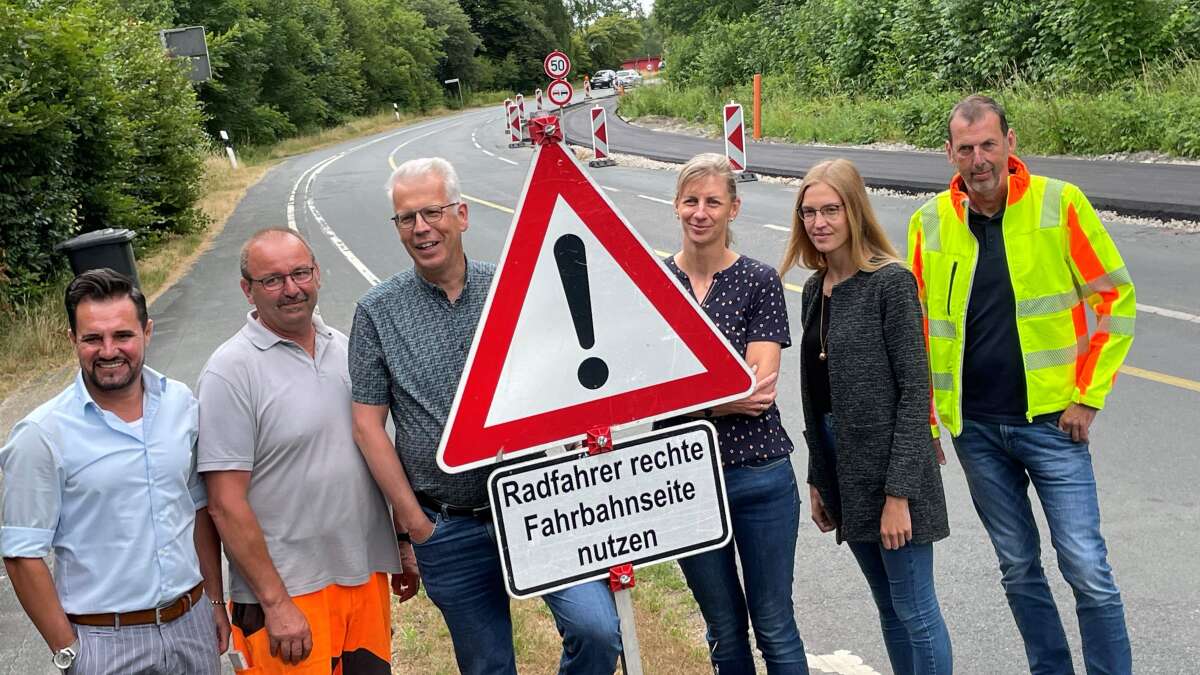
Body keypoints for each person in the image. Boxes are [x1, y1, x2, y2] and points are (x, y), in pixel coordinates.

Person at [348, 157, 622, 675]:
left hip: (539, 506)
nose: (421, 228)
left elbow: (571, 385)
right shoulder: (377, 311)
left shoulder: (512, 289)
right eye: (407, 218)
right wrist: (413, 522)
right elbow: (367, 424)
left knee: (597, 632)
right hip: (448, 525)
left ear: (463, 214)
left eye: (432, 212)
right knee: (487, 668)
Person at [908, 95, 1136, 674]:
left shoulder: (1060, 203)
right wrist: (930, 420)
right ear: (950, 154)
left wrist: (1088, 396)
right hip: (977, 431)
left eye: (988, 144)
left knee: (1086, 565)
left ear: (1011, 143)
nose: (978, 159)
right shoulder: (929, 221)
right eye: (966, 149)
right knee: (1017, 565)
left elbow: (1115, 298)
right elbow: (917, 328)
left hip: (1054, 422)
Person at [197, 228, 412, 674]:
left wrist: (402, 541)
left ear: (317, 274)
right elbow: (224, 503)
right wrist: (274, 603)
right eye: (272, 279)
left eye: (300, 273)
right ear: (247, 290)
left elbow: (374, 452)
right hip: (288, 596)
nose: (291, 289)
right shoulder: (229, 371)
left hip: (363, 581)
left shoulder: (344, 348)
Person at [0, 268, 228, 675]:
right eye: (92, 338)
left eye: (122, 335)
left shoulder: (180, 404)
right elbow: (22, 554)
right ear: (73, 340)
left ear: (147, 332)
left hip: (192, 625)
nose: (108, 350)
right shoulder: (41, 435)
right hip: (105, 646)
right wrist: (68, 651)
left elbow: (197, 508)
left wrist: (214, 600)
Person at [782, 158, 952, 675]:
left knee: (916, 610)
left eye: (831, 209)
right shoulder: (815, 288)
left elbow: (913, 390)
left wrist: (899, 495)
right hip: (842, 466)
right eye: (809, 212)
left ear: (855, 211)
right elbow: (817, 395)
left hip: (893, 471)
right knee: (890, 609)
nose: (819, 222)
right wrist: (818, 476)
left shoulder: (891, 283)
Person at [654, 153, 808, 674]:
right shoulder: (651, 284)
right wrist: (720, 397)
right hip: (681, 480)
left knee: (774, 624)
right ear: (676, 205)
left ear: (733, 209)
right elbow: (645, 389)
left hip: (758, 475)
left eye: (713, 201)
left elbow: (759, 389)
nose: (701, 212)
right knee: (723, 630)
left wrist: (683, 395)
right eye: (691, 200)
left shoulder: (759, 280)